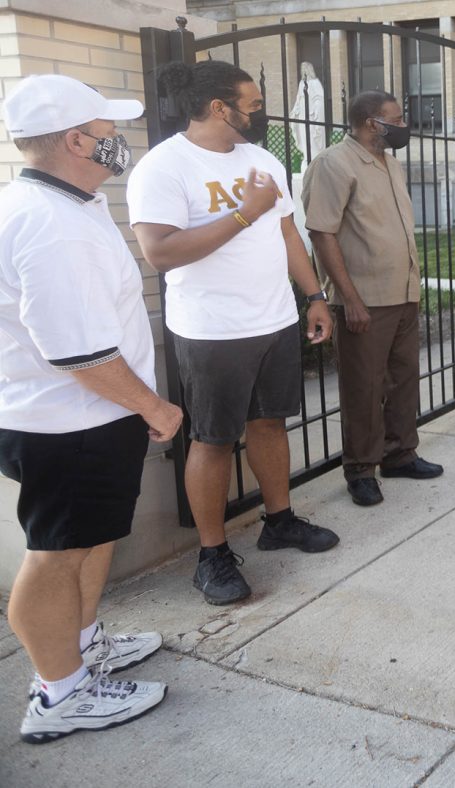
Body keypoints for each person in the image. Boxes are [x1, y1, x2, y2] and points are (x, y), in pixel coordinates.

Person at [1, 74, 173, 742]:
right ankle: (60, 692)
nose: (118, 141)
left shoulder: (64, 203)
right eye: (108, 132)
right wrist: (153, 407)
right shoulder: (53, 225)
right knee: (55, 556)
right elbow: (79, 352)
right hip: (68, 423)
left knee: (89, 538)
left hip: (87, 418)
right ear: (76, 141)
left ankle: (81, 643)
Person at [128, 60, 339, 607]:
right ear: (220, 107)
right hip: (211, 331)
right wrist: (244, 214)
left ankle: (280, 521)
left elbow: (287, 232)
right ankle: (212, 555)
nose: (261, 111)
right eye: (254, 103)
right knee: (213, 439)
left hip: (274, 320)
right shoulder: (163, 167)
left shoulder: (262, 160)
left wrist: (313, 296)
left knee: (270, 424)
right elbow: (160, 252)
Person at [304, 90, 444, 505]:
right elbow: (321, 233)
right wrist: (349, 299)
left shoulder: (391, 163)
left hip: (402, 292)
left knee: (403, 380)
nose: (404, 126)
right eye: (396, 119)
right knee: (364, 388)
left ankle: (399, 454)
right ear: (371, 123)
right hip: (364, 298)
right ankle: (361, 469)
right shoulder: (333, 164)